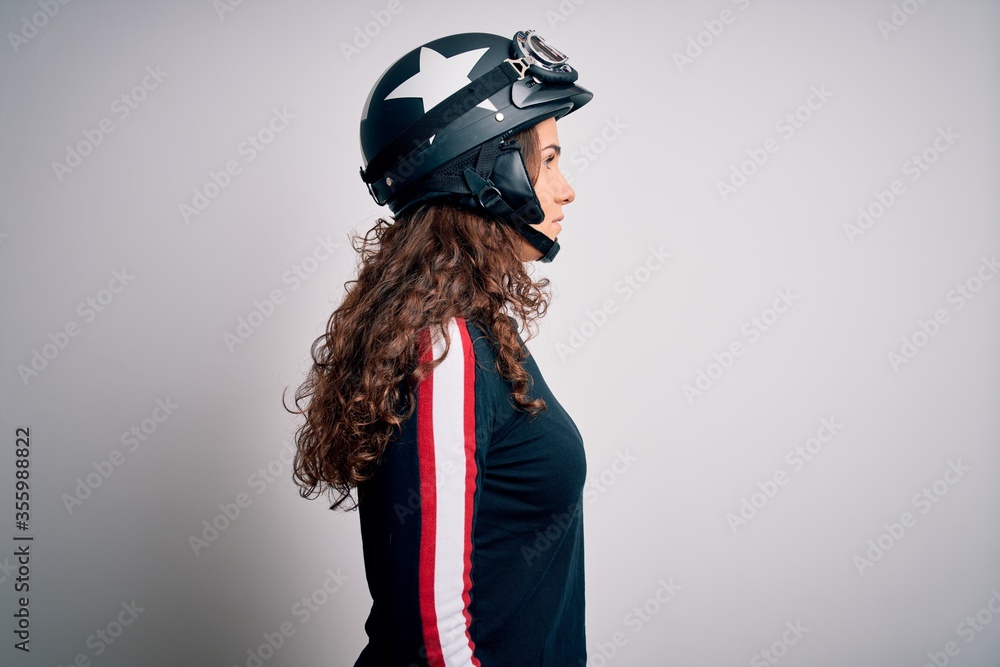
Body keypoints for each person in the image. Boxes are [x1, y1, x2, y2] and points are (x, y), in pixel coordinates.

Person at [287, 29, 594, 665]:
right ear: (490, 172)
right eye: (548, 161)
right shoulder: (443, 347)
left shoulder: (475, 328)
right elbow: (434, 633)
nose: (566, 189)